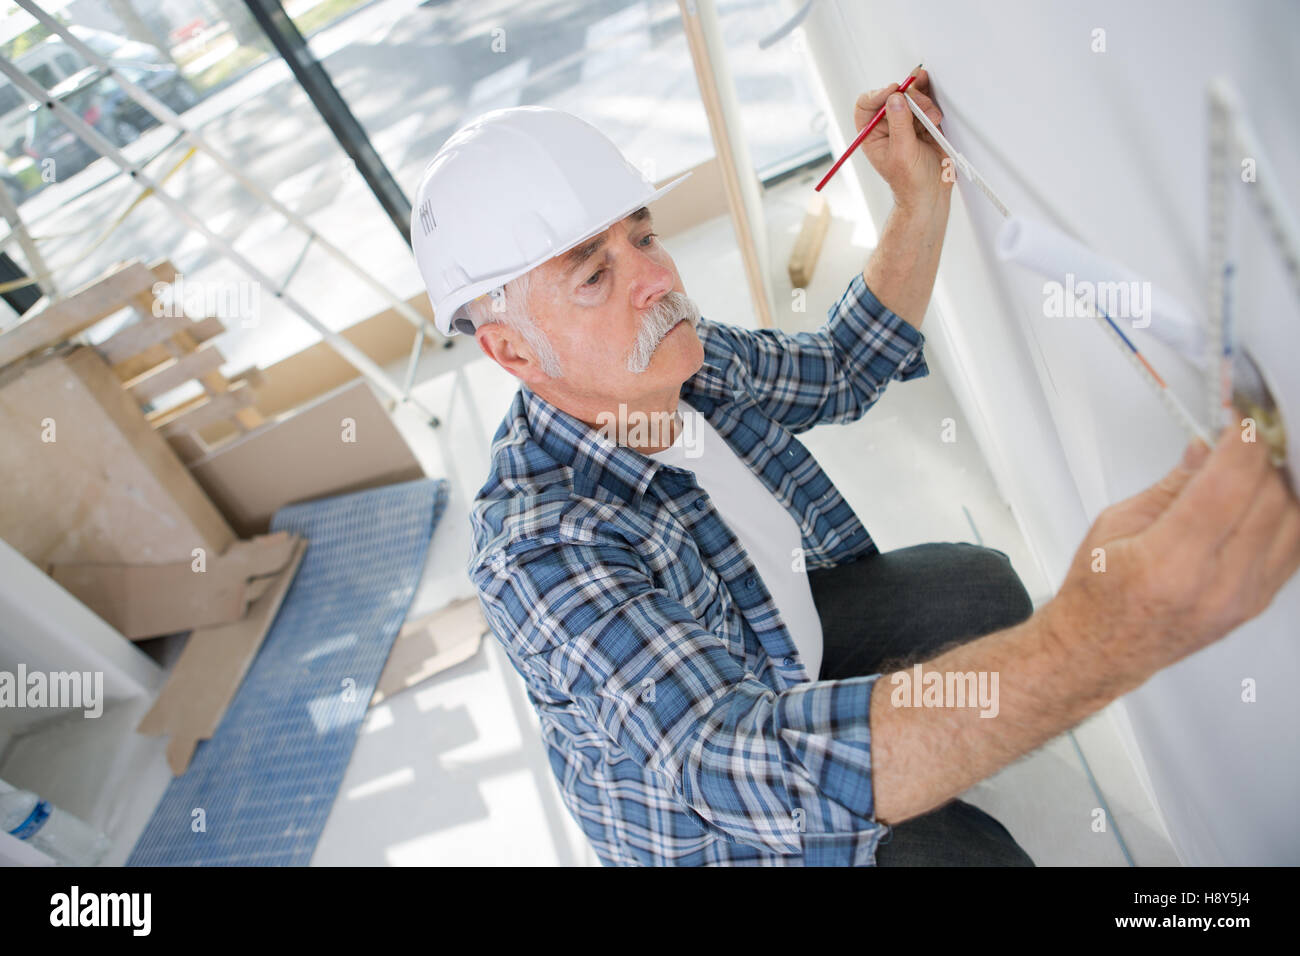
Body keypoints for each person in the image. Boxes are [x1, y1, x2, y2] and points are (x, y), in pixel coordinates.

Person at [409, 74, 1300, 866]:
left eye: (642, 236)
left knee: (980, 592)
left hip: (765, 648)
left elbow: (839, 367)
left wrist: (919, 200)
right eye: (594, 275)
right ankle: (888, 769)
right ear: (513, 353)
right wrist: (1108, 635)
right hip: (730, 830)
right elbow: (740, 758)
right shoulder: (539, 547)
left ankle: (890, 744)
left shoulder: (677, 360)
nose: (655, 279)